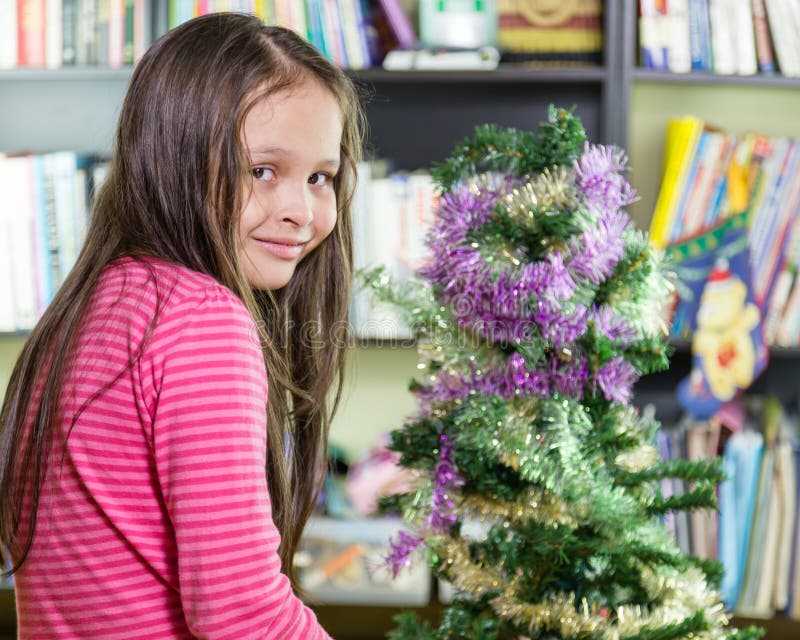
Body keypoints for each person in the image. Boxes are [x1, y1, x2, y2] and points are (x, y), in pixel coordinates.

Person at [0, 12, 365, 639]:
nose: (301, 211)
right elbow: (241, 614)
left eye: (320, 177)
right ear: (174, 158)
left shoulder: (98, 302)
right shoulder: (201, 319)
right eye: (262, 171)